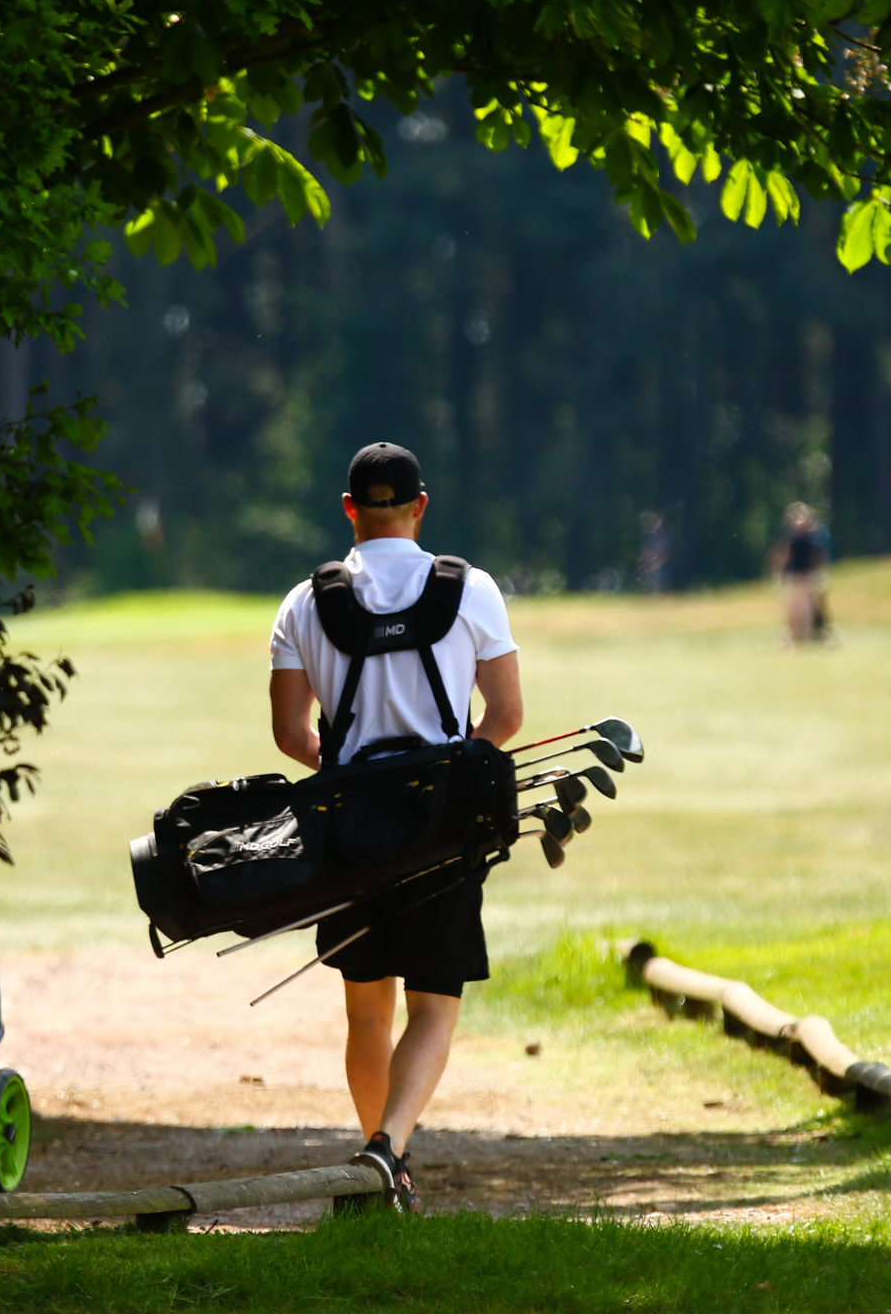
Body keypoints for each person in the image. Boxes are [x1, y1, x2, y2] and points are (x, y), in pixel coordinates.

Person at [267, 443, 524, 1212]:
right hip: (441, 824)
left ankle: (381, 1168)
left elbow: (290, 734)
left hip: (346, 827)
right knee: (434, 1001)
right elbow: (506, 717)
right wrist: (449, 772)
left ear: (349, 508)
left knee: (366, 1006)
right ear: (421, 504)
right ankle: (388, 1150)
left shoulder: (302, 603)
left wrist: (348, 768)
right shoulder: (470, 588)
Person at [769, 502, 832, 648]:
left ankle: (806, 640)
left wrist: (820, 573)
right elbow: (783, 556)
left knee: (807, 612)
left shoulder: (814, 538)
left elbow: (819, 558)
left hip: (808, 576)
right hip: (794, 577)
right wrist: (778, 573)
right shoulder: (790, 539)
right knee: (793, 612)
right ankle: (796, 640)